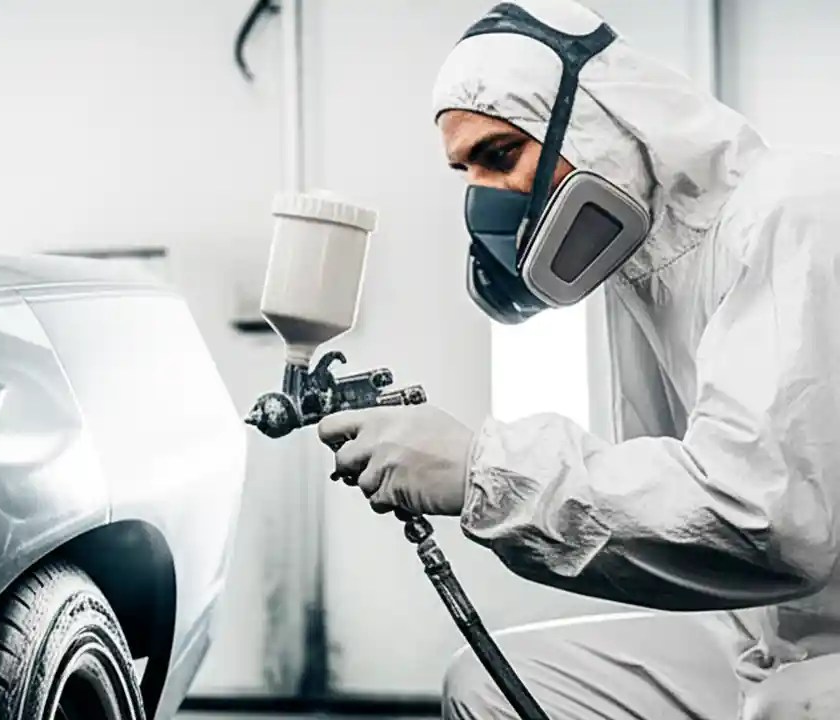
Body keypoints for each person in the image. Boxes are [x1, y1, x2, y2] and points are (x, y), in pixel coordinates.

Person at [318, 1, 840, 718]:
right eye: (466, 171)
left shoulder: (793, 208)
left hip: (821, 645)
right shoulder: (639, 278)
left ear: (594, 125)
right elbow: (670, 529)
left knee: (783, 707)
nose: (485, 198)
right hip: (765, 634)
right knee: (489, 684)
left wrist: (483, 470)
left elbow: (769, 525)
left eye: (501, 156)